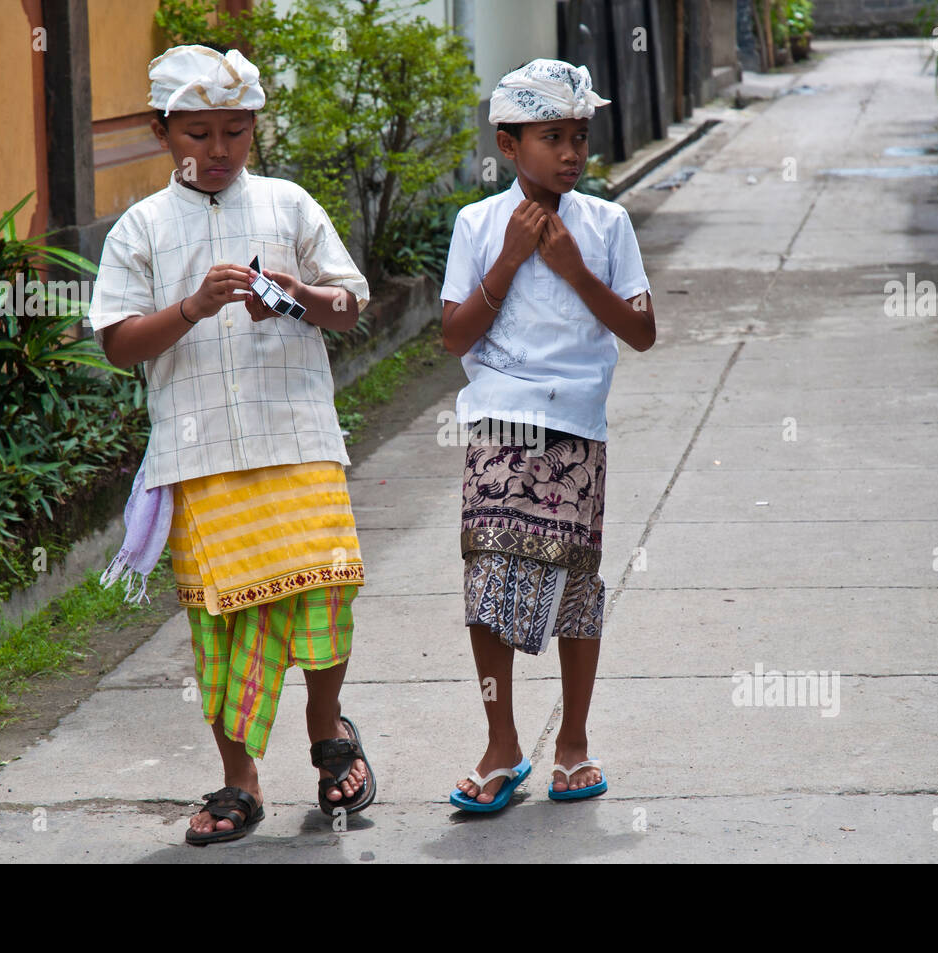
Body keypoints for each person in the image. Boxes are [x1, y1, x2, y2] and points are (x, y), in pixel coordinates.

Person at [89, 45, 376, 845]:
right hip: (201, 456)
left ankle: (328, 733)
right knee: (224, 622)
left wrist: (294, 296)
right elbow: (118, 344)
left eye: (236, 132)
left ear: (255, 129)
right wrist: (191, 307)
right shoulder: (142, 227)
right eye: (199, 133)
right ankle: (239, 779)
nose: (218, 151)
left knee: (323, 596)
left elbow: (350, 305)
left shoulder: (287, 204)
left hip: (300, 439)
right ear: (162, 131)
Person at [440, 59, 656, 811]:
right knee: (487, 580)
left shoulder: (606, 225)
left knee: (574, 584)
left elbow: (642, 330)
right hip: (498, 422)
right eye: (552, 136)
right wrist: (510, 259)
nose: (570, 153)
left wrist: (570, 268)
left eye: (580, 136)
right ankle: (502, 743)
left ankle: (574, 744)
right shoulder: (476, 224)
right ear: (508, 144)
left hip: (576, 427)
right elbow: (451, 334)